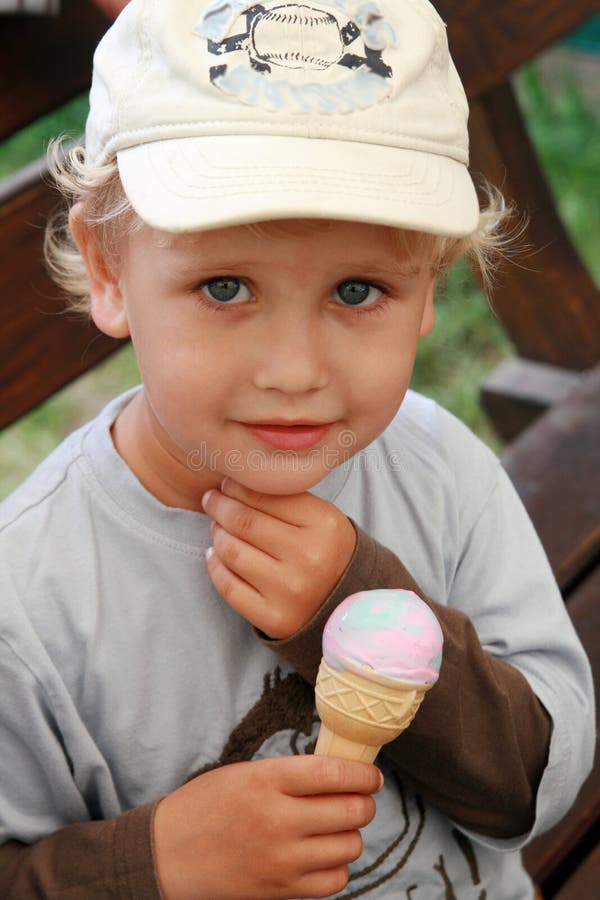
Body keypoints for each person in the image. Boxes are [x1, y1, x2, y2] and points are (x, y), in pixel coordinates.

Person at [0, 1, 594, 898]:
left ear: (430, 284)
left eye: (359, 289)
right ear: (113, 271)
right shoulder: (31, 598)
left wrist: (358, 605)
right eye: (225, 285)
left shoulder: (440, 472)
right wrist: (149, 865)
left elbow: (538, 788)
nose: (294, 370)